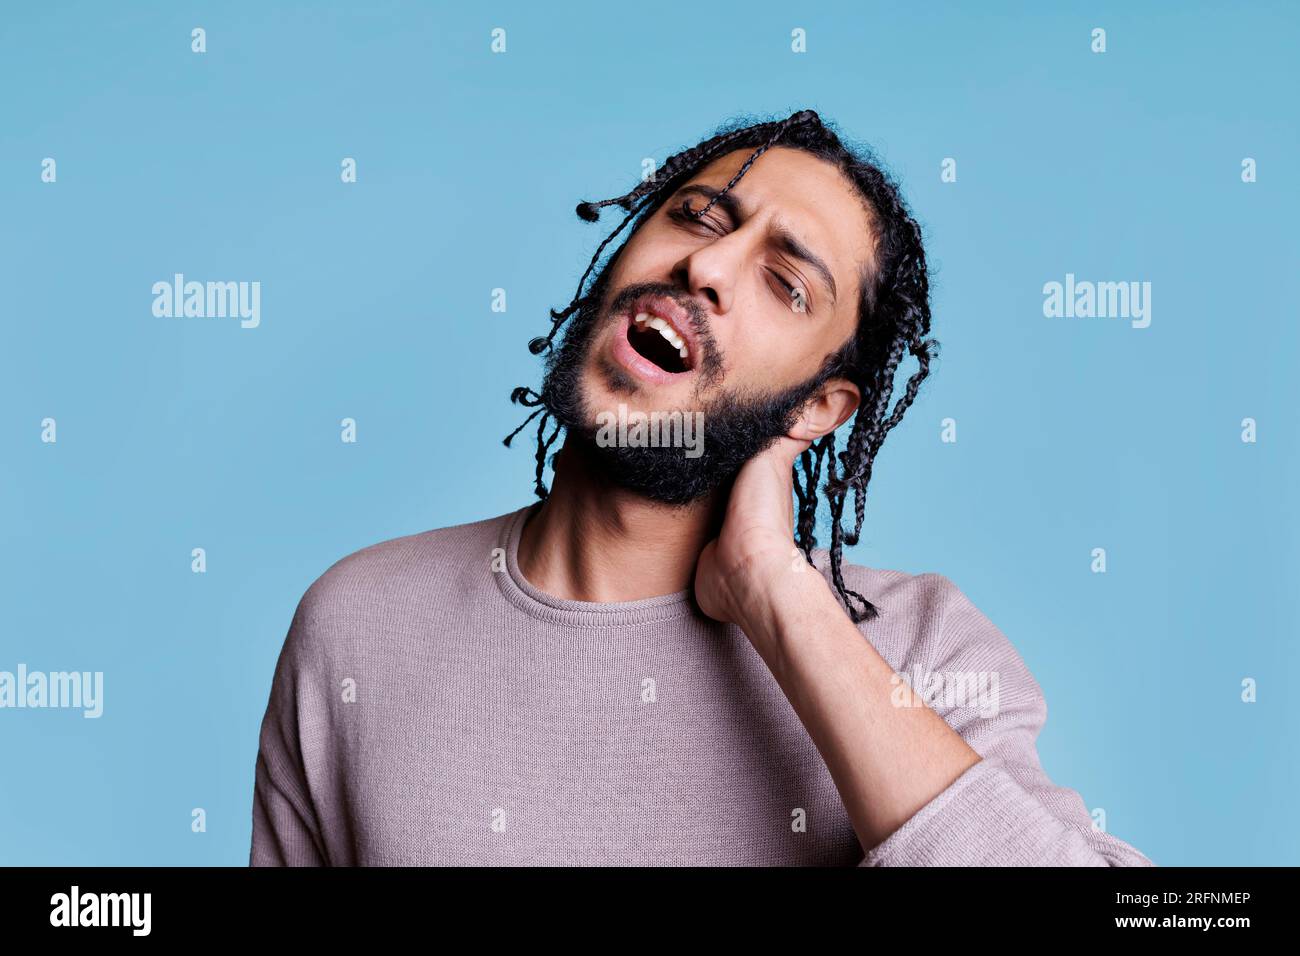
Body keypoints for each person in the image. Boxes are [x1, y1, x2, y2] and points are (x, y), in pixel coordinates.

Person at [250, 109, 1153, 866]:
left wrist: (777, 597)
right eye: (700, 218)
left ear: (816, 408)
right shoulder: (359, 622)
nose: (706, 269)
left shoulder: (918, 651)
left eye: (786, 283)